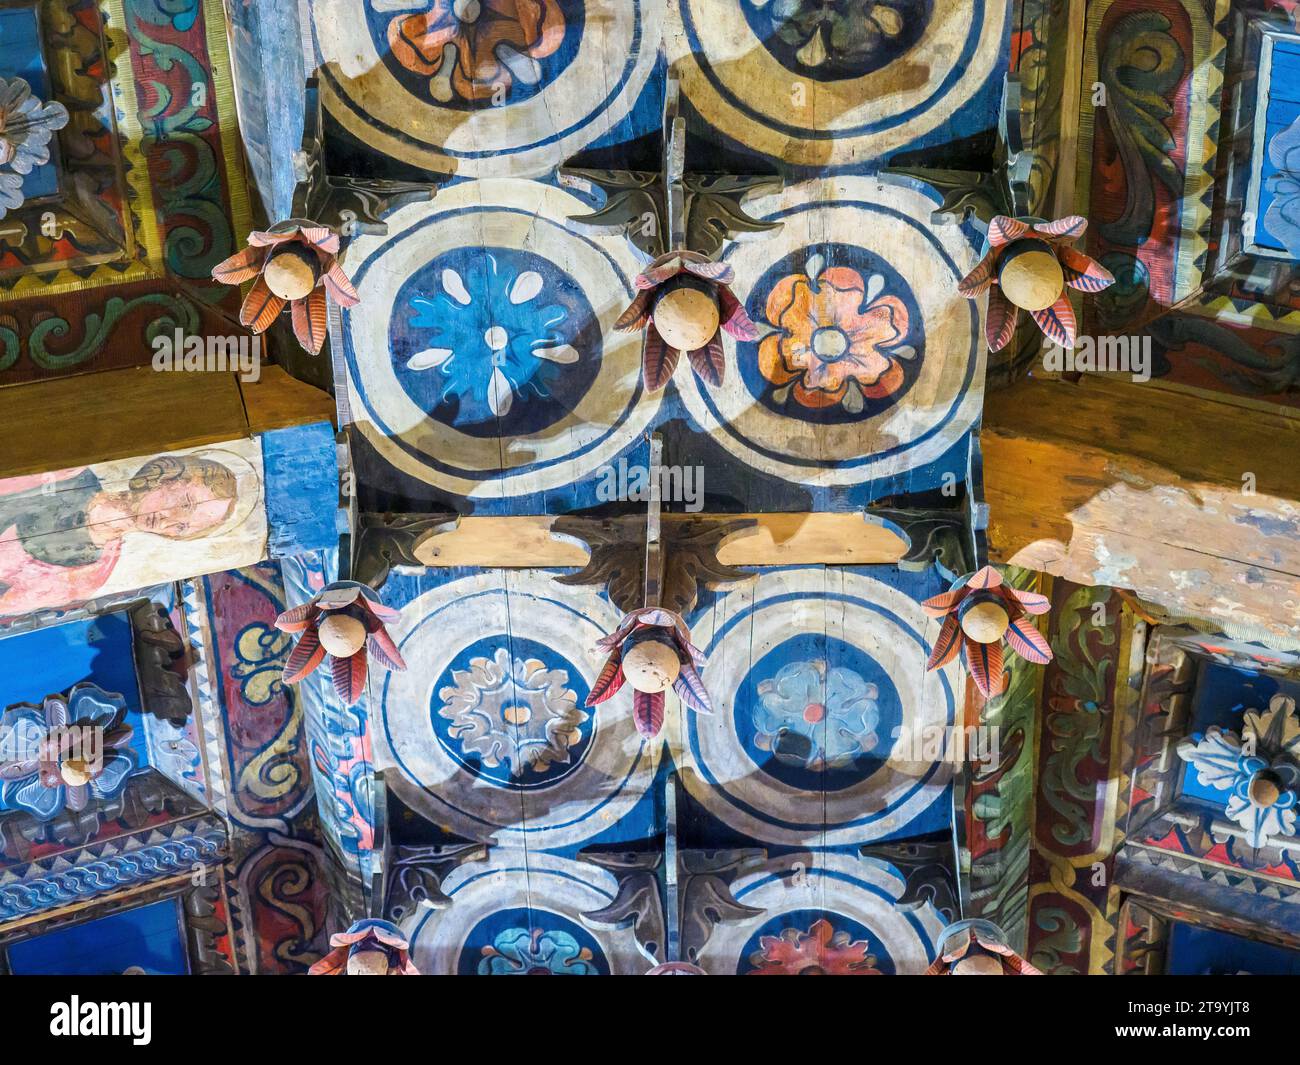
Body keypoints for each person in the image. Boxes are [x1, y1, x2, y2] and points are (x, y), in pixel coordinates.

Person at [0, 454, 239, 615]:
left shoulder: (92, 573)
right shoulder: (70, 474)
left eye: (183, 528)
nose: (171, 520)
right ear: (166, 476)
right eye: (185, 504)